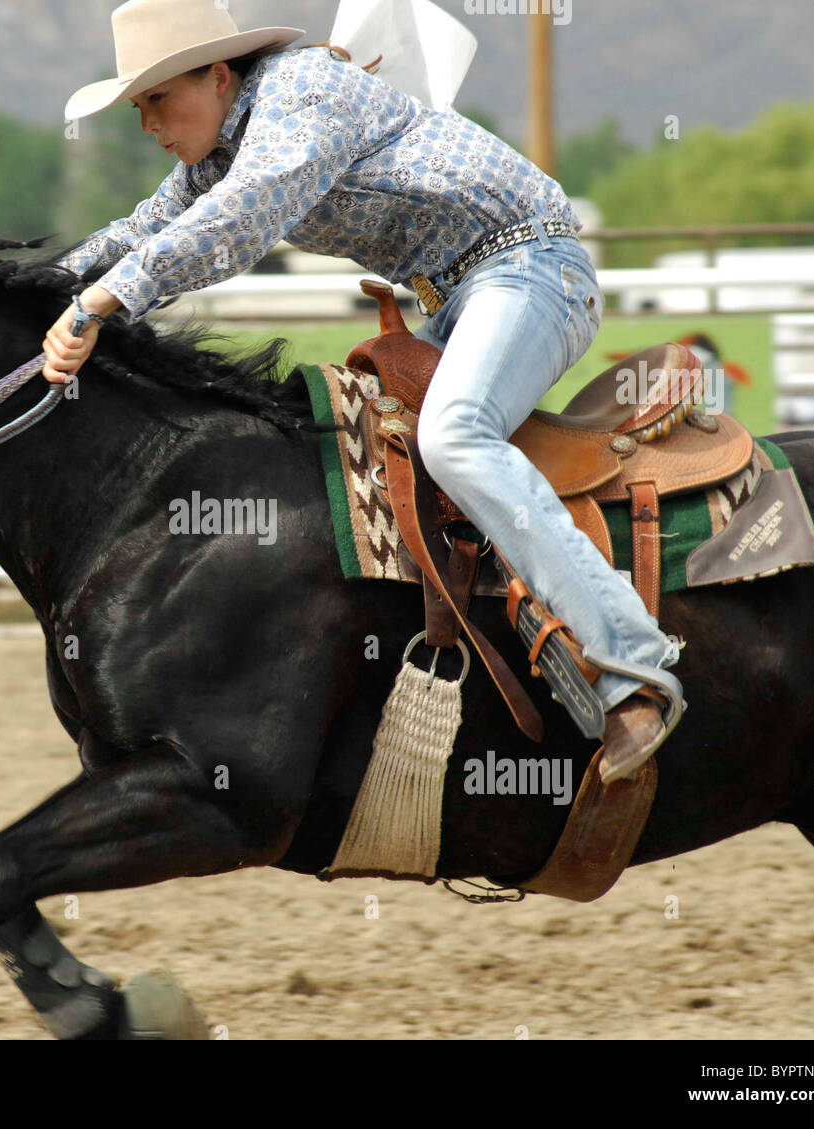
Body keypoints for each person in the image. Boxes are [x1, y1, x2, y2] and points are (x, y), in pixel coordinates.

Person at [45, 0, 682, 781]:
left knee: (455, 437)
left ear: (218, 75)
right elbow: (145, 226)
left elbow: (238, 222)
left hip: (530, 267)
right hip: (464, 297)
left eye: (155, 98)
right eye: (139, 107)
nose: (148, 123)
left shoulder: (302, 91)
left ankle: (634, 669)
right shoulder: (218, 152)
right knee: (378, 469)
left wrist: (102, 302)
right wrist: (32, 287)